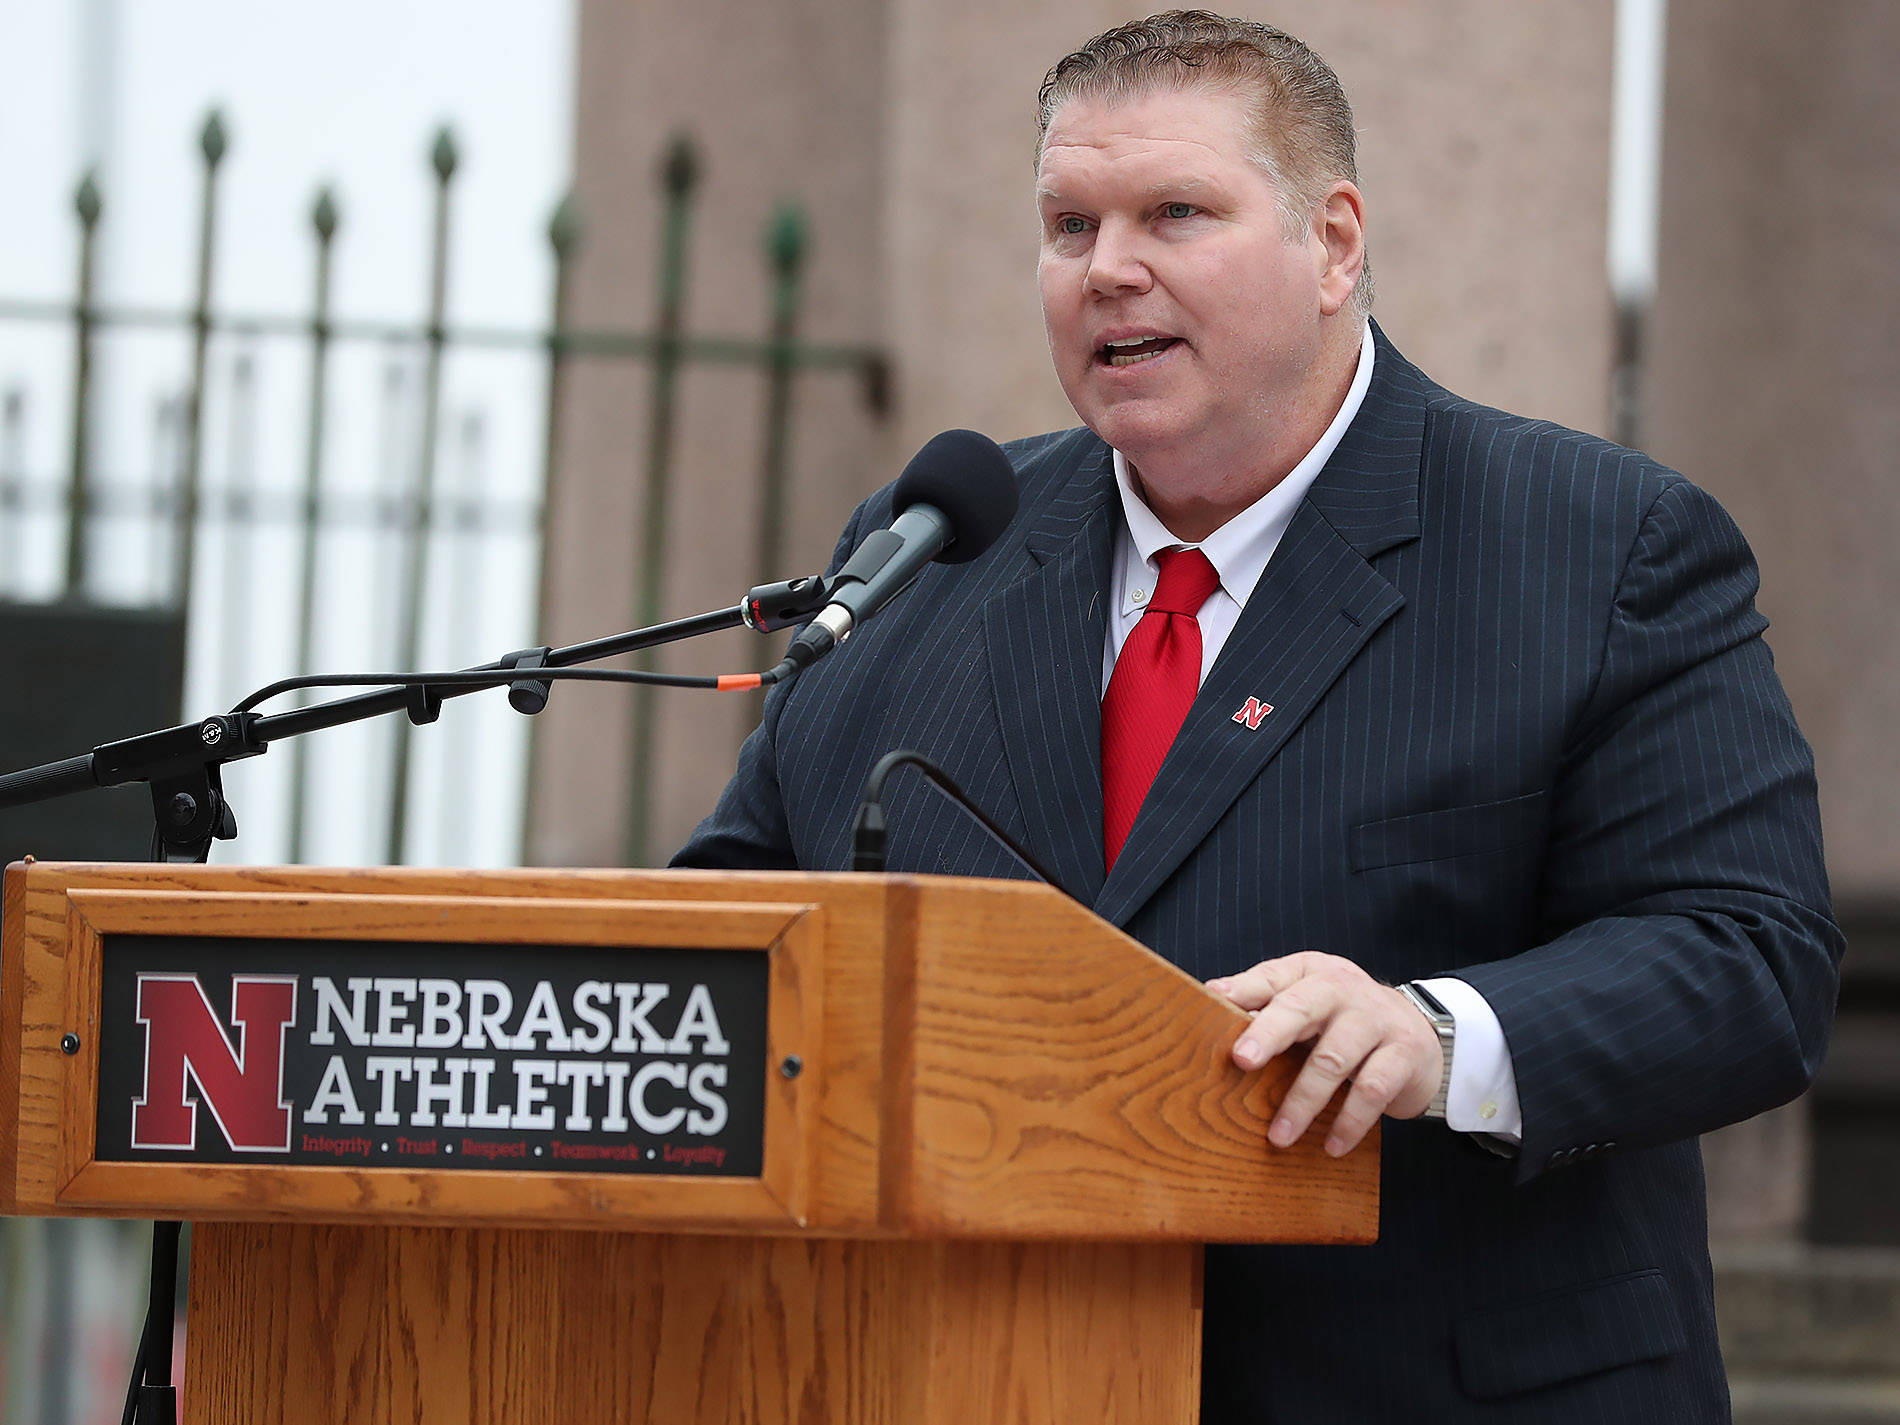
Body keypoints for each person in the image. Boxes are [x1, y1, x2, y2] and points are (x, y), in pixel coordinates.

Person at [674, 12, 1841, 1420]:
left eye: (1174, 212)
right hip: (978, 1371)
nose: (1109, 269)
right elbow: (737, 916)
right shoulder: (935, 548)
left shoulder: (1596, 545)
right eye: (1067, 224)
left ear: (1335, 242)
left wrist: (1439, 1031)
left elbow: (1750, 958)